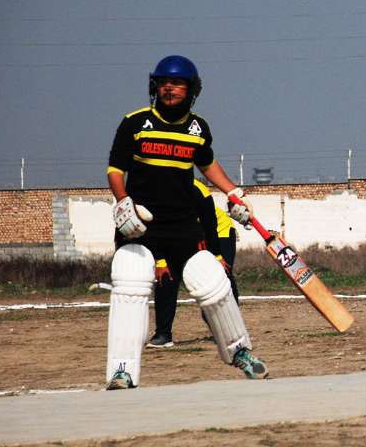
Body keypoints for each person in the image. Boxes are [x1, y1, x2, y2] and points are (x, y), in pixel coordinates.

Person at [104, 55, 267, 388]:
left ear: (191, 90)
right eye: (163, 82)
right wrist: (123, 203)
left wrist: (233, 192)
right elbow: (115, 169)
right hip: (141, 222)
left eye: (177, 83)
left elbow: (208, 165)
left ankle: (240, 352)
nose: (169, 88)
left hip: (183, 224)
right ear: (154, 87)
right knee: (130, 282)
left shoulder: (198, 128)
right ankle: (122, 370)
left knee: (211, 280)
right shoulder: (135, 123)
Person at [147, 179, 240, 349]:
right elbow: (154, 231)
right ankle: (163, 334)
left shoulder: (197, 189)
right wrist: (160, 261)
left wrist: (217, 255)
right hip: (180, 236)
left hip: (217, 232)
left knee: (221, 276)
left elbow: (210, 223)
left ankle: (228, 329)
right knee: (166, 277)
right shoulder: (152, 193)